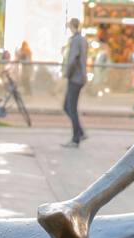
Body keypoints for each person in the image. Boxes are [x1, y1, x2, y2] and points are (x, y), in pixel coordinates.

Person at [60, 18, 87, 147]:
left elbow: (72, 59)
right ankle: (80, 132)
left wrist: (67, 73)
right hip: (79, 78)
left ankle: (77, 137)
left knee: (70, 107)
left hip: (75, 78)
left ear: (72, 26)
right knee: (68, 106)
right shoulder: (82, 39)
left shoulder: (76, 40)